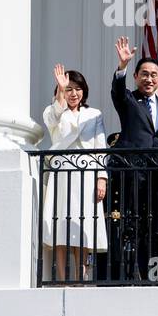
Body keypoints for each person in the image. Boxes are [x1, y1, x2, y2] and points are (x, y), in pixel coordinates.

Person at [106, 36, 158, 281]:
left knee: (157, 226)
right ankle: (129, 274)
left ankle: (153, 276)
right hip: (132, 172)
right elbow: (117, 91)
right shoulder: (129, 100)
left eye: (154, 74)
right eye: (144, 74)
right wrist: (122, 66)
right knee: (131, 223)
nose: (149, 78)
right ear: (136, 77)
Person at [41, 63, 108, 281]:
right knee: (61, 223)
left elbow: (100, 147)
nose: (73, 93)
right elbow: (54, 119)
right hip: (63, 173)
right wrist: (60, 91)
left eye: (77, 89)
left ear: (84, 91)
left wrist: (101, 178)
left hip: (88, 174)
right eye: (68, 89)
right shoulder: (53, 111)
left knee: (85, 223)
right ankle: (62, 278)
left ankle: (81, 277)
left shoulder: (94, 114)